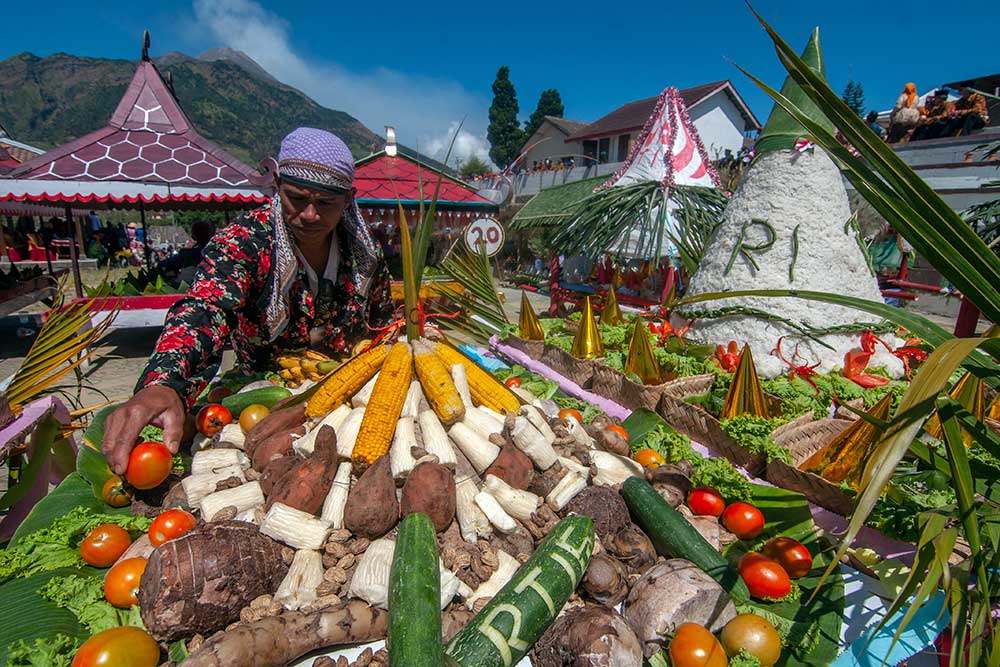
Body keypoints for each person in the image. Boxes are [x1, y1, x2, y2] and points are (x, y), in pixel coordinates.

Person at [101, 128, 394, 474]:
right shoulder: (245, 241)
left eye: (326, 203)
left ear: (348, 199)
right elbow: (206, 308)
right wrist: (164, 382)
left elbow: (383, 321)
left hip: (347, 400)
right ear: (277, 186)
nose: (311, 215)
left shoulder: (364, 250)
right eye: (297, 198)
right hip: (260, 394)